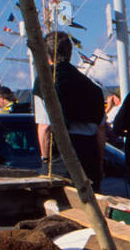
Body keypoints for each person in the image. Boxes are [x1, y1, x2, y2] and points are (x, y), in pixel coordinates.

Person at [33, 30, 106, 190]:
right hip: (88, 156)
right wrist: (99, 163)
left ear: (47, 54)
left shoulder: (44, 83)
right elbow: (100, 131)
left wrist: (45, 160)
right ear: (70, 53)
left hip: (61, 156)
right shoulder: (94, 88)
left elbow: (45, 127)